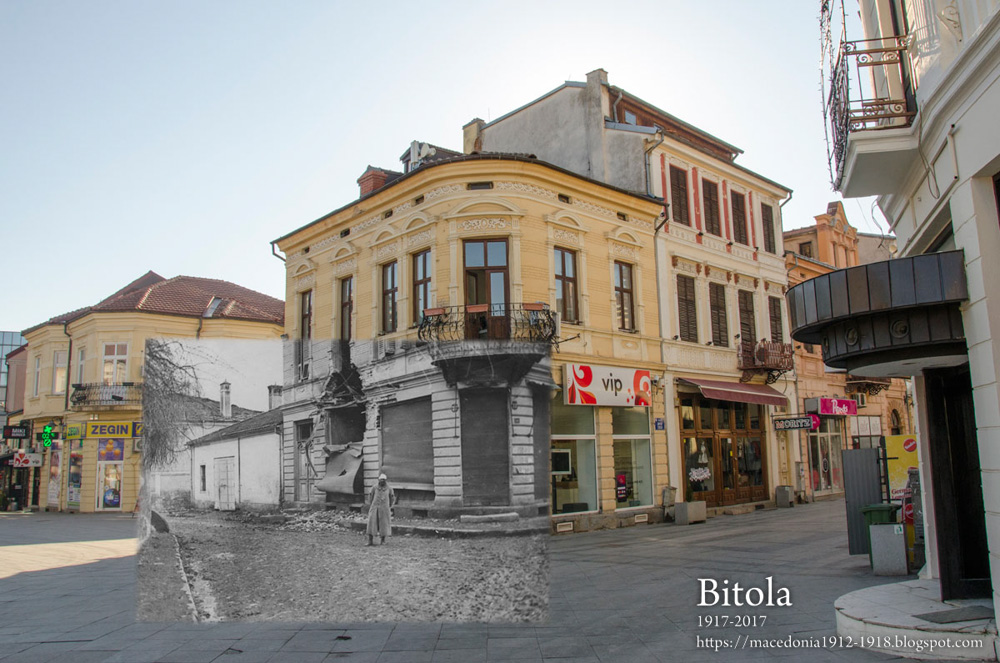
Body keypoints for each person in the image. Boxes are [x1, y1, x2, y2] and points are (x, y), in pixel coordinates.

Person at [366, 472, 395, 546]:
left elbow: (392, 498)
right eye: (381, 480)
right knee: (371, 523)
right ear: (378, 480)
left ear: (386, 480)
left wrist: (388, 506)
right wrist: (372, 505)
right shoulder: (374, 488)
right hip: (374, 507)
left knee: (384, 524)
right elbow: (371, 497)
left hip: (384, 509)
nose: (382, 481)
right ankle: (370, 541)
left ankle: (383, 540)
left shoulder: (389, 489)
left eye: (384, 480)